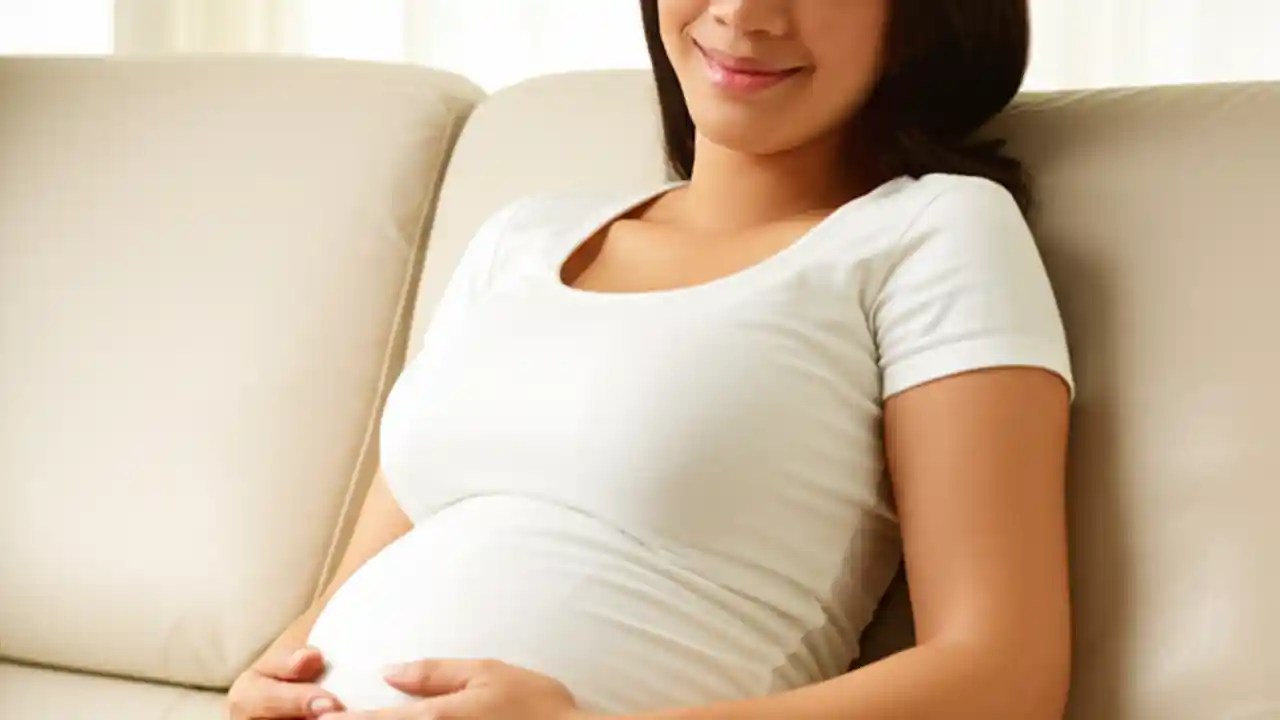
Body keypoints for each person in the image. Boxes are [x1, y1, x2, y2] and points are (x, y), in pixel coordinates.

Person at [227, 1, 1074, 718]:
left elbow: (1006, 674)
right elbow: (348, 590)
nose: (743, 14)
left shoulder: (929, 232)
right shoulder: (520, 237)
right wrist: (265, 683)